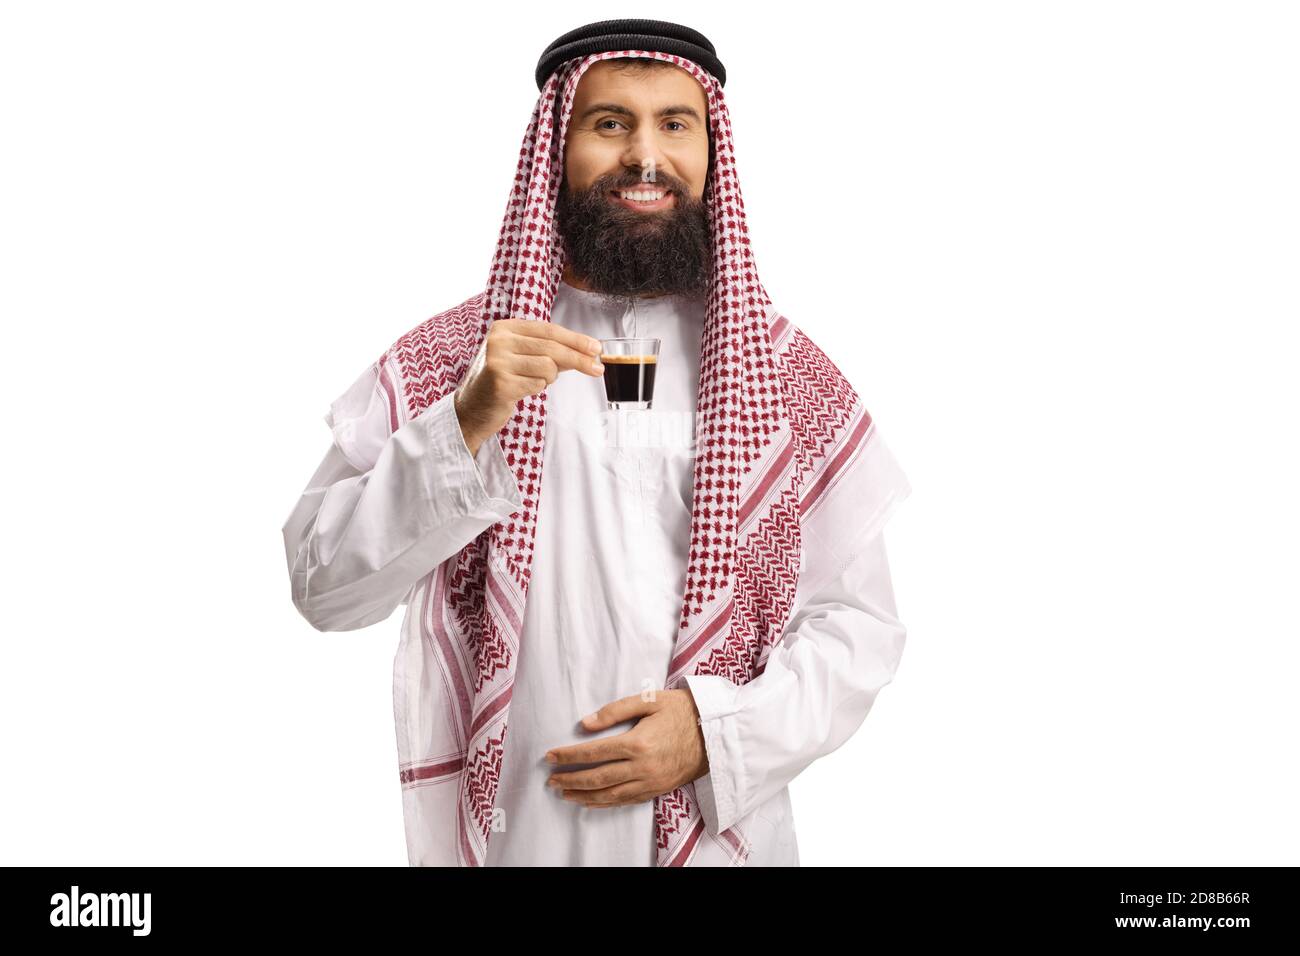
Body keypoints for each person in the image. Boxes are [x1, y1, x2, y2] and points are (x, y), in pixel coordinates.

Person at [281, 19, 912, 867]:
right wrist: (465, 419)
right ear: (557, 148)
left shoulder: (780, 371)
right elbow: (323, 588)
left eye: (674, 124)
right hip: (519, 839)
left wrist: (716, 735)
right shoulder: (454, 362)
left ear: (711, 152)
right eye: (610, 123)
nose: (645, 156)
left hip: (721, 836)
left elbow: (860, 627)